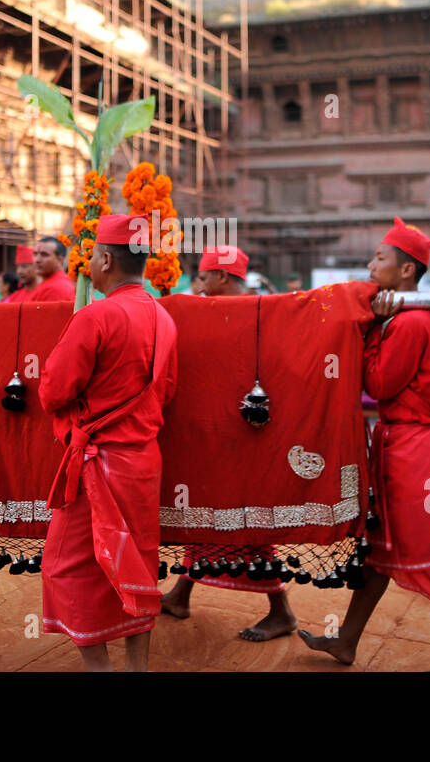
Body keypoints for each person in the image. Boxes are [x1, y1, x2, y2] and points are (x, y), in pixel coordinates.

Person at [300, 218, 430, 671]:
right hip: (406, 447)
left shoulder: (410, 321)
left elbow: (379, 384)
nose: (369, 264)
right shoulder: (412, 315)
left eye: (379, 258)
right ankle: (346, 642)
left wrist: (372, 331)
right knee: (379, 556)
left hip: (419, 454)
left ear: (406, 271)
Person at [39, 214, 178, 671]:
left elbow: (53, 391)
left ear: (103, 258)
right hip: (142, 463)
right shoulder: (164, 318)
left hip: (98, 465)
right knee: (135, 564)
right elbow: (168, 390)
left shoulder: (95, 316)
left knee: (66, 567)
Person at [160, 245, 299, 641]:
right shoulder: (234, 311)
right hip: (215, 437)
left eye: (203, 279)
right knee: (205, 515)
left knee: (247, 525)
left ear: (220, 278)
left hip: (246, 438)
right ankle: (180, 595)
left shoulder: (257, 312)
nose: (199, 288)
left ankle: (282, 611)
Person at [26, 237, 76, 303]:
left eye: (44, 255)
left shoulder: (55, 288)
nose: (37, 260)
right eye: (35, 254)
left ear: (59, 260)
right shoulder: (52, 282)